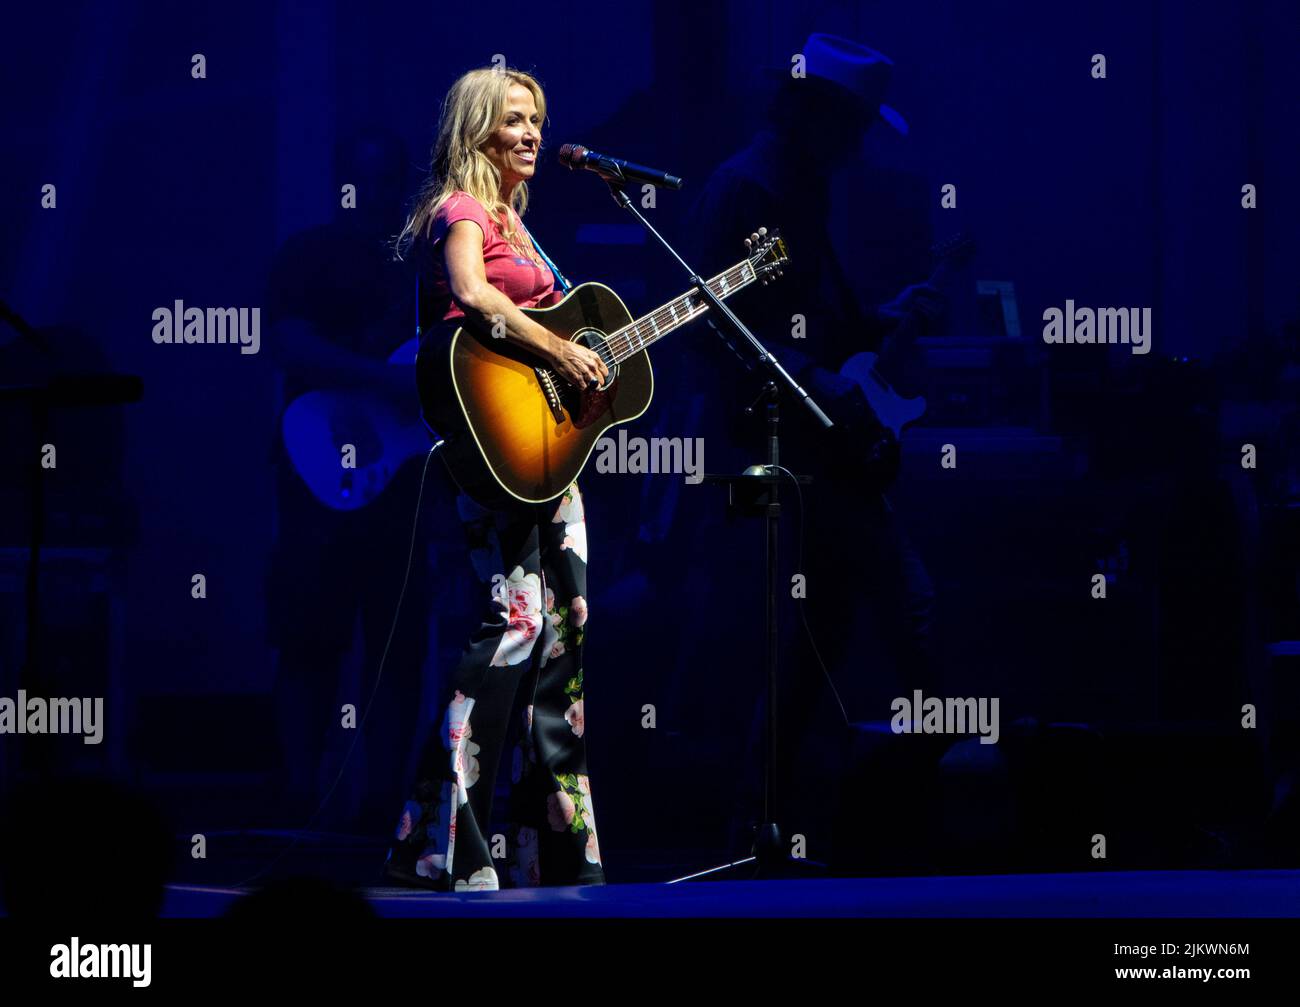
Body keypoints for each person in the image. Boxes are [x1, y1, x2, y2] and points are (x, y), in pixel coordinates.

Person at [688, 34, 944, 852]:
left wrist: (881, 320)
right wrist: (824, 381)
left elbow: (804, 323)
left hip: (817, 446)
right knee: (904, 611)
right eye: (855, 127)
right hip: (789, 451)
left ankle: (766, 819)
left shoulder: (794, 190)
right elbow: (718, 328)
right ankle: (921, 811)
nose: (861, 146)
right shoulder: (750, 190)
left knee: (814, 642)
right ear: (820, 117)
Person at [382, 67, 609, 891]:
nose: (532, 134)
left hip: (552, 456)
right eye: (514, 120)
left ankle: (557, 844)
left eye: (538, 121)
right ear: (478, 128)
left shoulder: (519, 222)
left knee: (566, 636)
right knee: (512, 624)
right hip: (493, 457)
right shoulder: (463, 211)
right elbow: (474, 299)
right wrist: (557, 349)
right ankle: (443, 837)